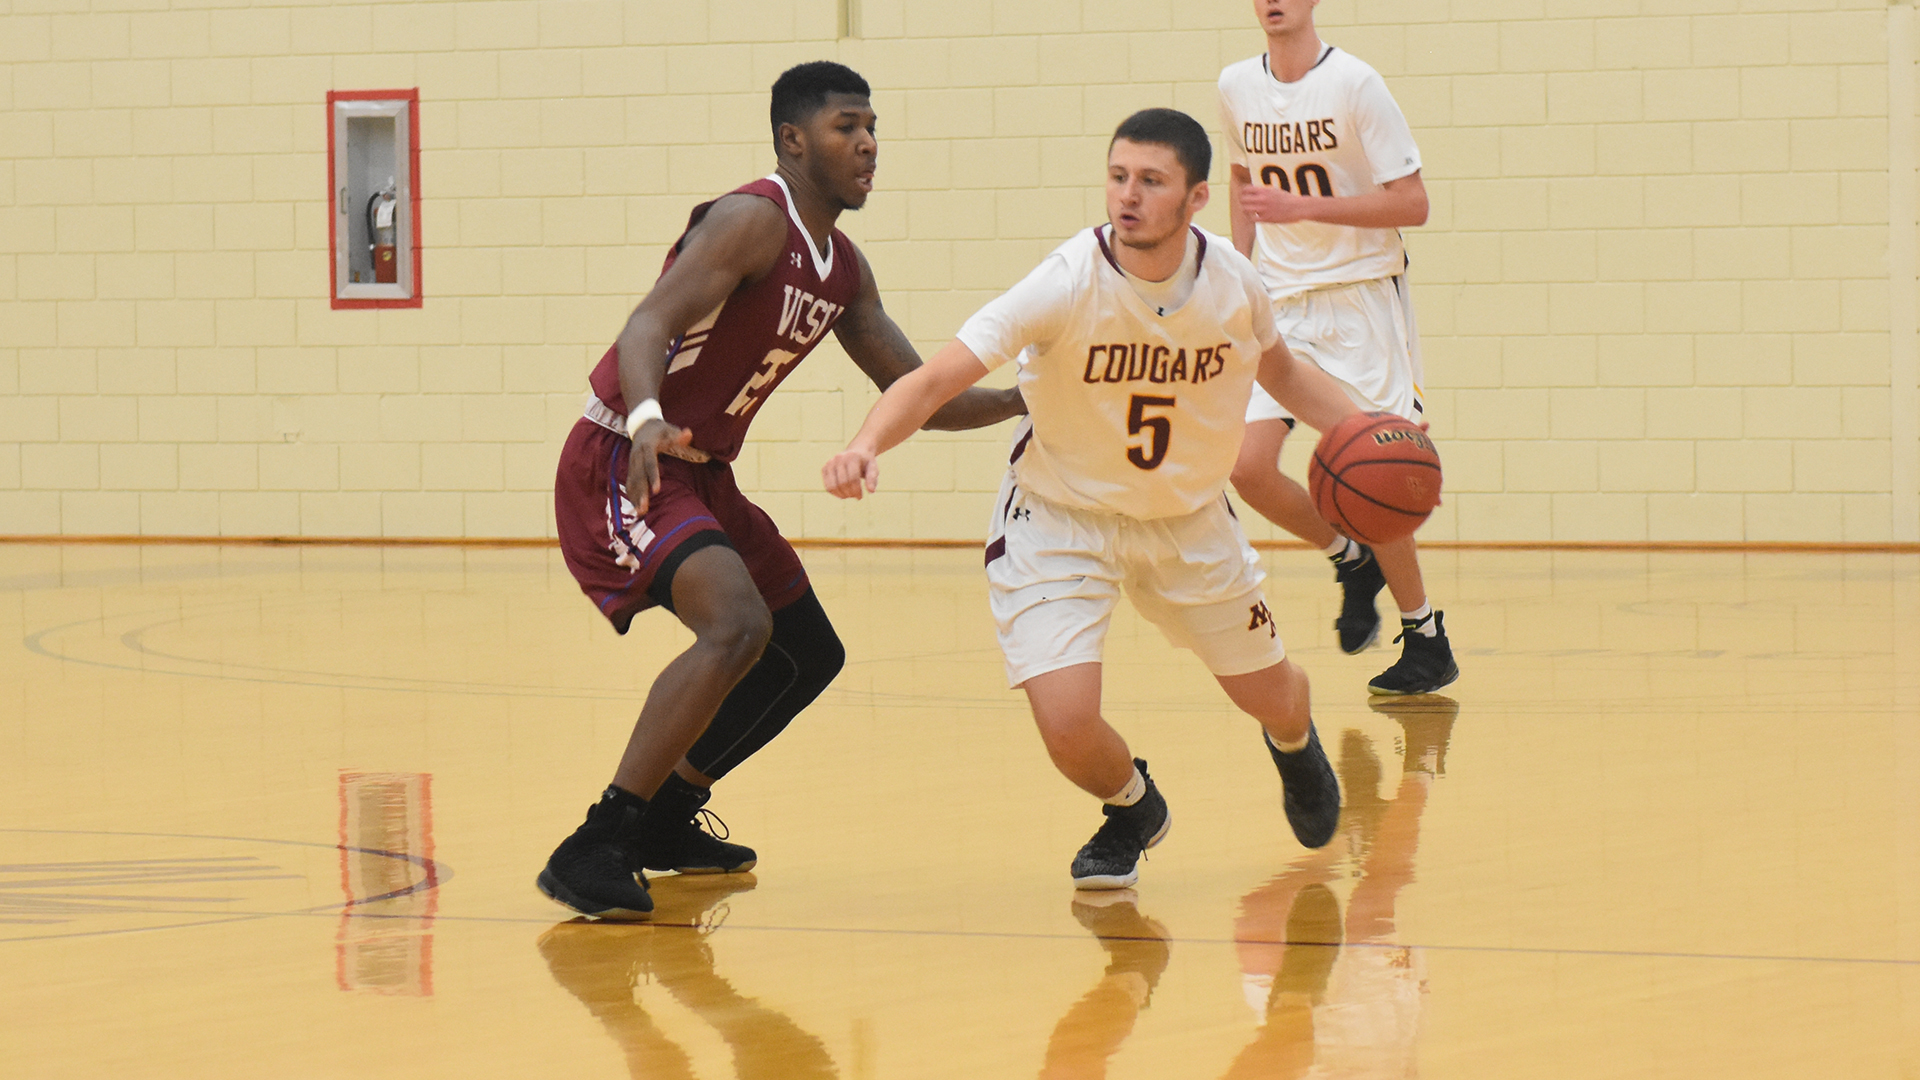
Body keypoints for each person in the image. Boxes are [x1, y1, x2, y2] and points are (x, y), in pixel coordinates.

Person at [824, 108, 1353, 891]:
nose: (1127, 195)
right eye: (1117, 176)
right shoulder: (1066, 281)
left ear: (1196, 197)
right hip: (1060, 517)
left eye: (1150, 181)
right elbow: (935, 377)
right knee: (1067, 725)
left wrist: (1372, 428)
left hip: (1186, 520)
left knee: (1273, 696)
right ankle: (1132, 809)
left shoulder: (1235, 283)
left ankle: (1294, 743)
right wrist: (866, 443)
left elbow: (1285, 377)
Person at [543, 61, 1024, 920]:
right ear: (794, 140)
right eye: (847, 126)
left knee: (807, 655)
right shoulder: (750, 220)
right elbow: (648, 321)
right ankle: (597, 843)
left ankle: (664, 818)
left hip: (704, 473)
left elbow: (917, 392)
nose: (868, 143)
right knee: (737, 624)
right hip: (626, 455)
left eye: (874, 126)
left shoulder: (842, 268)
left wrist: (1033, 400)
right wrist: (649, 415)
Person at [1218, 0, 1459, 695]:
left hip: (1360, 299)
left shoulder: (1356, 84)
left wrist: (1305, 209)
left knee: (1381, 468)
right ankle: (1348, 557)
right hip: (1279, 301)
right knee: (1247, 467)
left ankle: (1425, 635)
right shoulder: (1236, 85)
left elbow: (1412, 203)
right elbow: (1242, 180)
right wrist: (1240, 267)